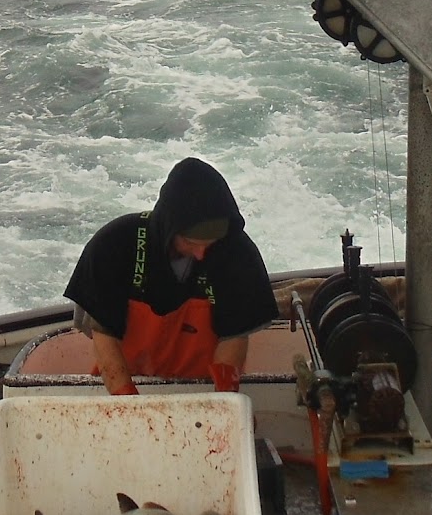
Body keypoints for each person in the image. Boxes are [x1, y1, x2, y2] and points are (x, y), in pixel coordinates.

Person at [64, 156, 277, 395]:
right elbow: (104, 336)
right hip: (123, 386)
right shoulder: (113, 245)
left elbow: (234, 336)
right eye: (191, 242)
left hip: (202, 390)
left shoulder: (237, 254)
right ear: (169, 228)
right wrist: (128, 403)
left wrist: (224, 403)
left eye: (210, 244)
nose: (200, 254)